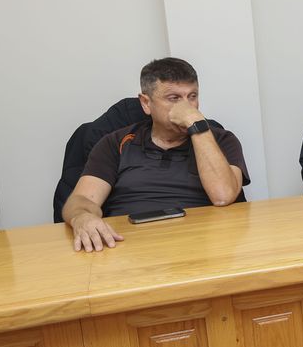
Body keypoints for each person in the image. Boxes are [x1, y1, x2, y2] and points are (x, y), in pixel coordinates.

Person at [62, 57, 250, 252]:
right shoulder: (116, 142)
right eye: (174, 98)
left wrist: (196, 125)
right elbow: (82, 199)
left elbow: (222, 196)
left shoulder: (221, 140)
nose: (187, 107)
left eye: (192, 96)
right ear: (146, 103)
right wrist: (81, 217)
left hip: (203, 244)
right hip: (130, 248)